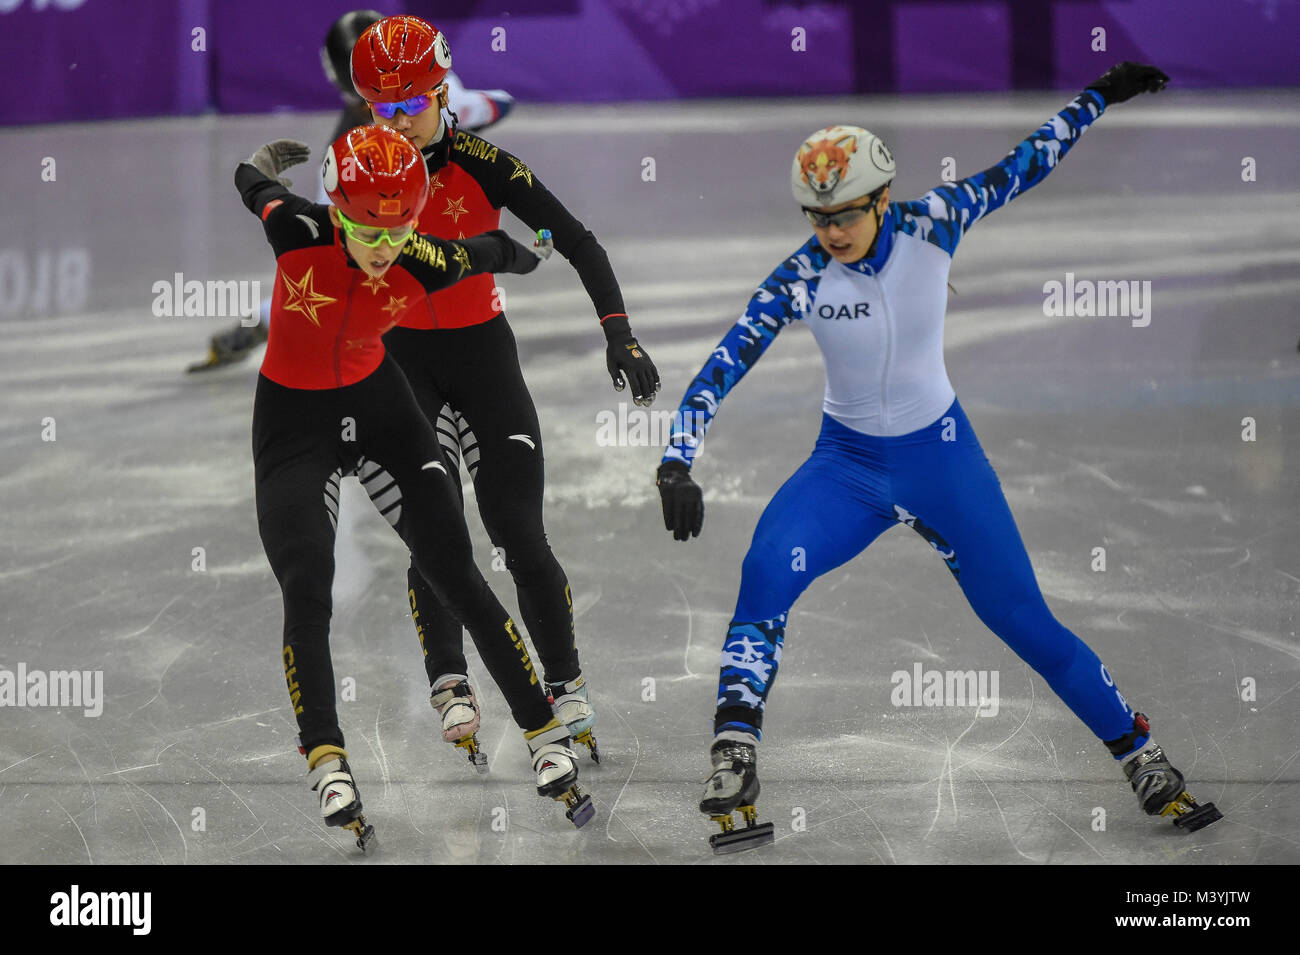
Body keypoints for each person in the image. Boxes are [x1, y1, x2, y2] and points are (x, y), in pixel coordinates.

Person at [655, 62, 1222, 854]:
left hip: (942, 461)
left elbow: (1028, 161)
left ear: (883, 199)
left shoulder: (938, 220)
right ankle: (733, 752)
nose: (829, 232)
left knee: (1021, 619)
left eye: (844, 215)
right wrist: (676, 459)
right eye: (816, 217)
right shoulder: (801, 276)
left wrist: (1098, 98)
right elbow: (724, 362)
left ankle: (1139, 751)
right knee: (762, 572)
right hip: (845, 469)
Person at [241, 124, 593, 849]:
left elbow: (488, 253)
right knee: (308, 581)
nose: (385, 247)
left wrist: (538, 255)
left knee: (455, 570)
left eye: (400, 228)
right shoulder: (297, 231)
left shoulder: (423, 255)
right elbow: (254, 188)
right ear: (336, 210)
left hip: (382, 412)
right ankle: (327, 754)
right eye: (369, 228)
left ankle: (542, 729)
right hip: (293, 428)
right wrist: (261, 163)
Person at [350, 14, 660, 768]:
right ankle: (450, 678)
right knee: (435, 533)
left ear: (441, 92)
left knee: (517, 531)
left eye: (411, 106)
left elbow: (579, 241)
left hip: (484, 360)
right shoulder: (355, 174)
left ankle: (566, 682)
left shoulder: (486, 162)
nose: (396, 124)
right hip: (402, 368)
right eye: (380, 111)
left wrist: (619, 332)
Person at [193, 8, 515, 372]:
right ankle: (263, 321)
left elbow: (491, 106)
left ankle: (260, 322)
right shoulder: (424, 105)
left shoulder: (359, 143)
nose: (387, 114)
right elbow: (498, 104)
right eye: (372, 100)